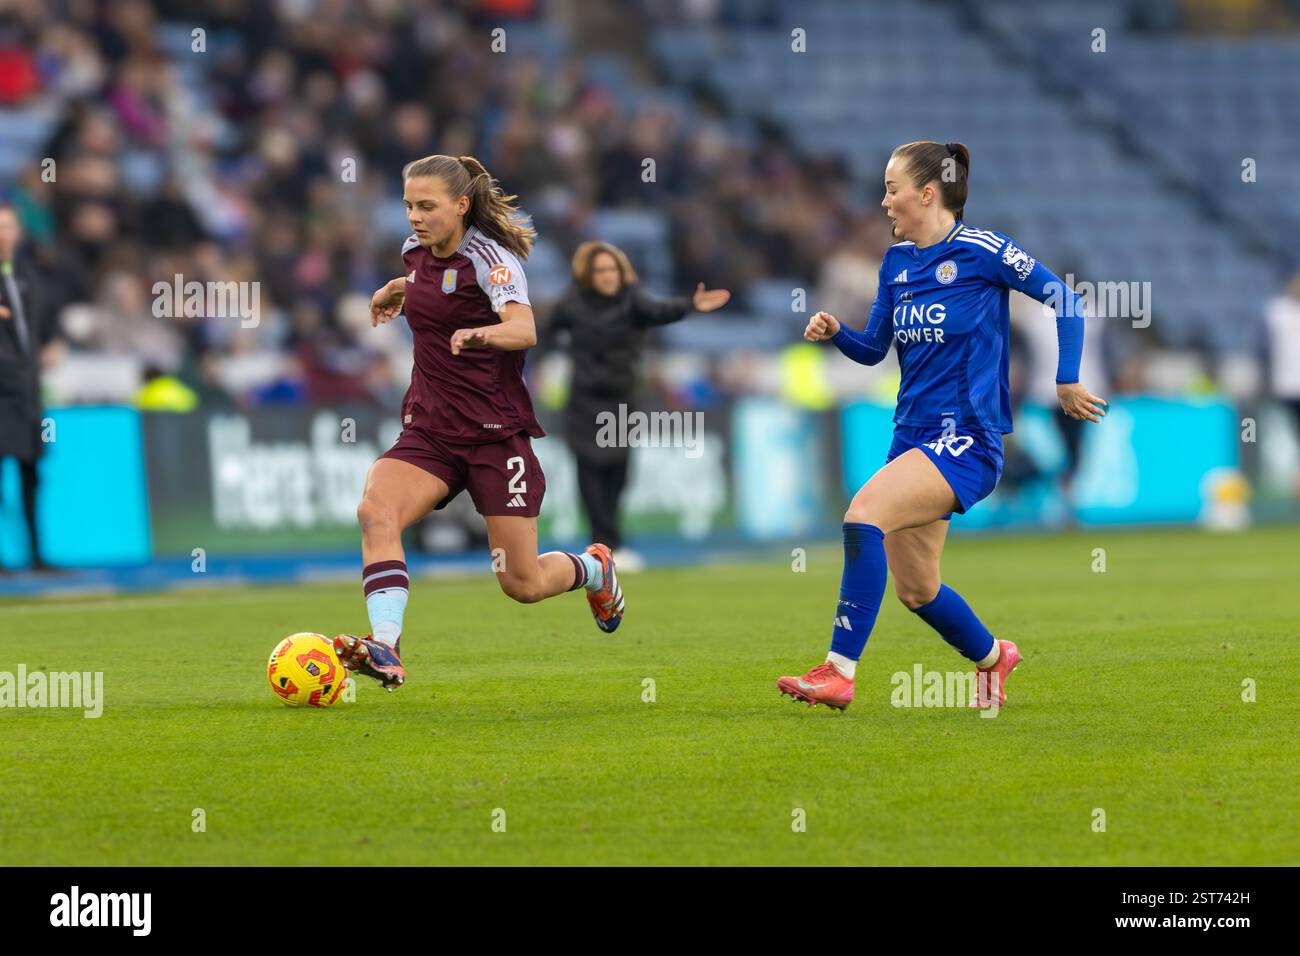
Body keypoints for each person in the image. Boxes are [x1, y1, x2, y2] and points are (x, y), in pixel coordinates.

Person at [776, 141, 1106, 711]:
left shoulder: (984, 251)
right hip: (911, 436)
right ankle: (993, 657)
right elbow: (875, 349)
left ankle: (838, 672)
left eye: (892, 188)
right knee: (917, 589)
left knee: (862, 516)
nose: (883, 201)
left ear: (927, 194)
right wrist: (836, 333)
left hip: (968, 439)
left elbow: (1066, 299)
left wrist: (1066, 379)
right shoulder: (896, 262)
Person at [334, 155, 624, 690]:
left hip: (496, 436)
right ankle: (386, 646)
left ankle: (595, 568)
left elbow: (524, 328)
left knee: (524, 582)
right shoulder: (413, 254)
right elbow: (425, 282)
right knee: (376, 512)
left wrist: (481, 335)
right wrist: (393, 291)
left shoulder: (494, 261)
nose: (414, 217)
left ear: (462, 205)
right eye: (408, 206)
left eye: (427, 206)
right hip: (431, 431)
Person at [549, 241, 729, 569]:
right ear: (589, 275)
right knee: (589, 472)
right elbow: (543, 336)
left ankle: (610, 542)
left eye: (612, 270)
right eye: (601, 271)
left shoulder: (633, 300)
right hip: (583, 402)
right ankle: (604, 545)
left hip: (619, 402)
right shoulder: (571, 304)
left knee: (619, 474)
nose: (608, 276)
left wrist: (691, 304)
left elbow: (660, 311)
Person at [0, 203, 56, 572]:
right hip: (1, 392)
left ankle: (37, 555)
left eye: (8, 226)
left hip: (28, 390)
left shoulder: (26, 274)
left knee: (31, 472)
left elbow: (40, 326)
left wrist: (53, 346)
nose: (4, 233)